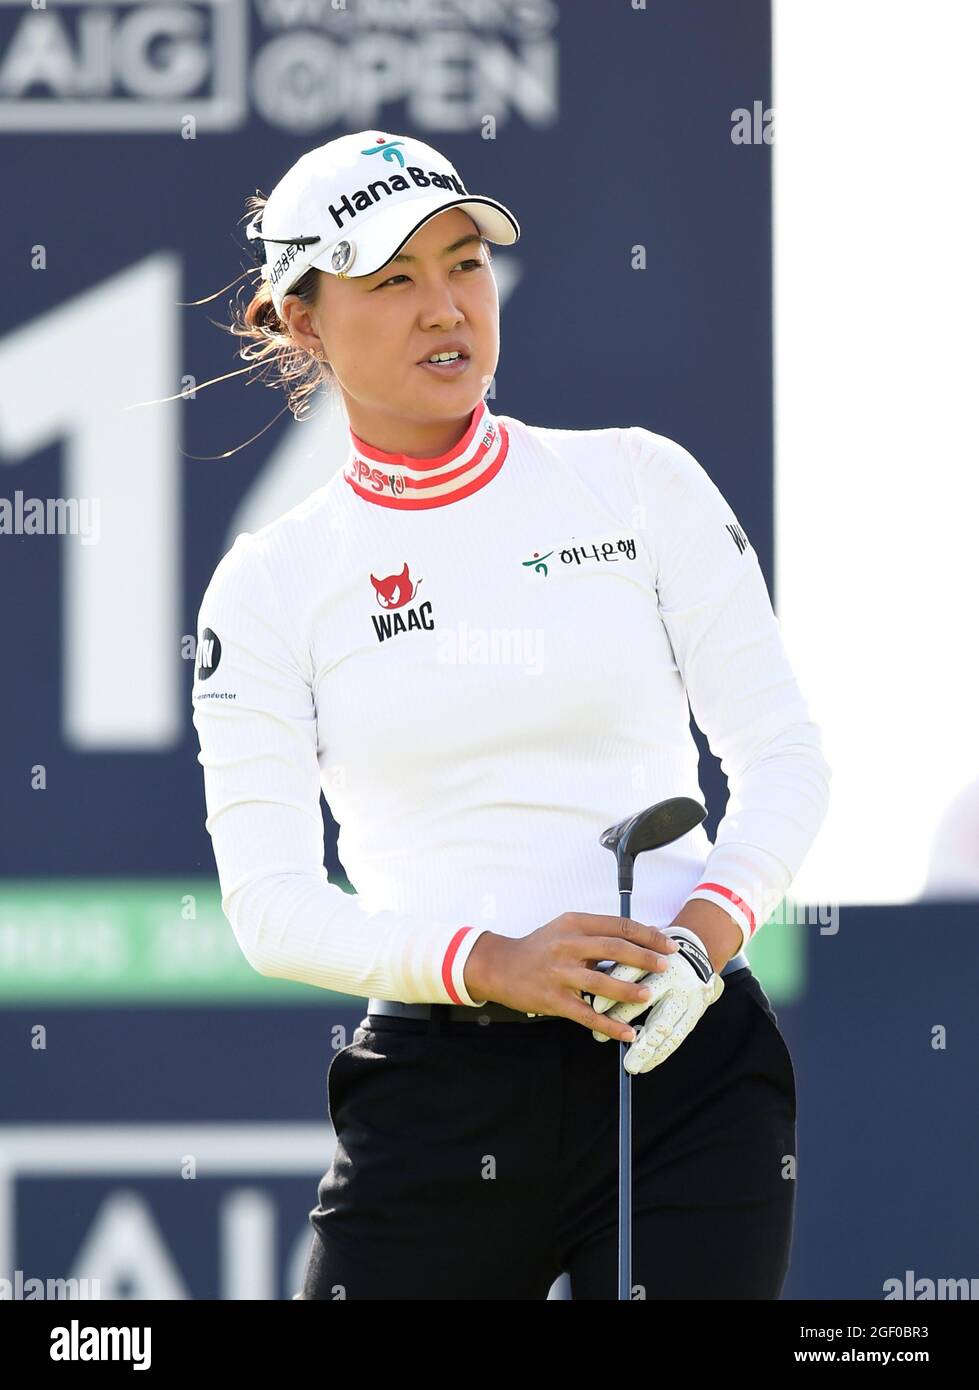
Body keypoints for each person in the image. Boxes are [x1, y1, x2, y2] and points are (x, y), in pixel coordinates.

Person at [191, 129, 831, 1300]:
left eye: (464, 262)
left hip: (680, 1063)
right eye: (391, 280)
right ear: (302, 321)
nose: (445, 306)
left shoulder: (640, 479)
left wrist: (701, 941)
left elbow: (782, 752)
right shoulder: (271, 580)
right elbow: (270, 912)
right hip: (438, 1090)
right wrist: (495, 963)